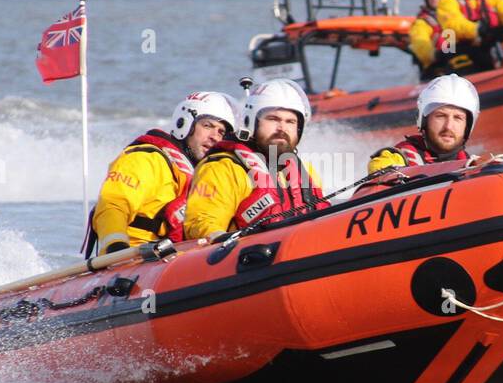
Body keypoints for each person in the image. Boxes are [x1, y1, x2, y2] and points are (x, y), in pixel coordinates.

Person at [89, 91, 237, 254]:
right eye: (208, 126)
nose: (214, 137)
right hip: (134, 255)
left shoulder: (209, 174)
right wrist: (116, 245)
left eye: (221, 132)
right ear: (185, 123)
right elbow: (113, 204)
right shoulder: (146, 159)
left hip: (177, 258)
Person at [184, 79, 327, 241]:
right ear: (252, 122)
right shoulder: (224, 168)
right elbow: (202, 221)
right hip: (250, 260)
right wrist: (217, 237)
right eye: (273, 119)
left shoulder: (306, 170)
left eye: (290, 121)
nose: (282, 128)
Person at [368, 74, 481, 173]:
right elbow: (379, 167)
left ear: (467, 126)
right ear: (424, 120)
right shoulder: (401, 157)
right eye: (440, 116)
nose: (448, 126)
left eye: (457, 118)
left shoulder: (468, 163)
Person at [408, 0, 451, 81]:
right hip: (436, 69)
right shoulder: (422, 23)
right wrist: (435, 55)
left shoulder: (454, 16)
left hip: (459, 62)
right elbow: (421, 44)